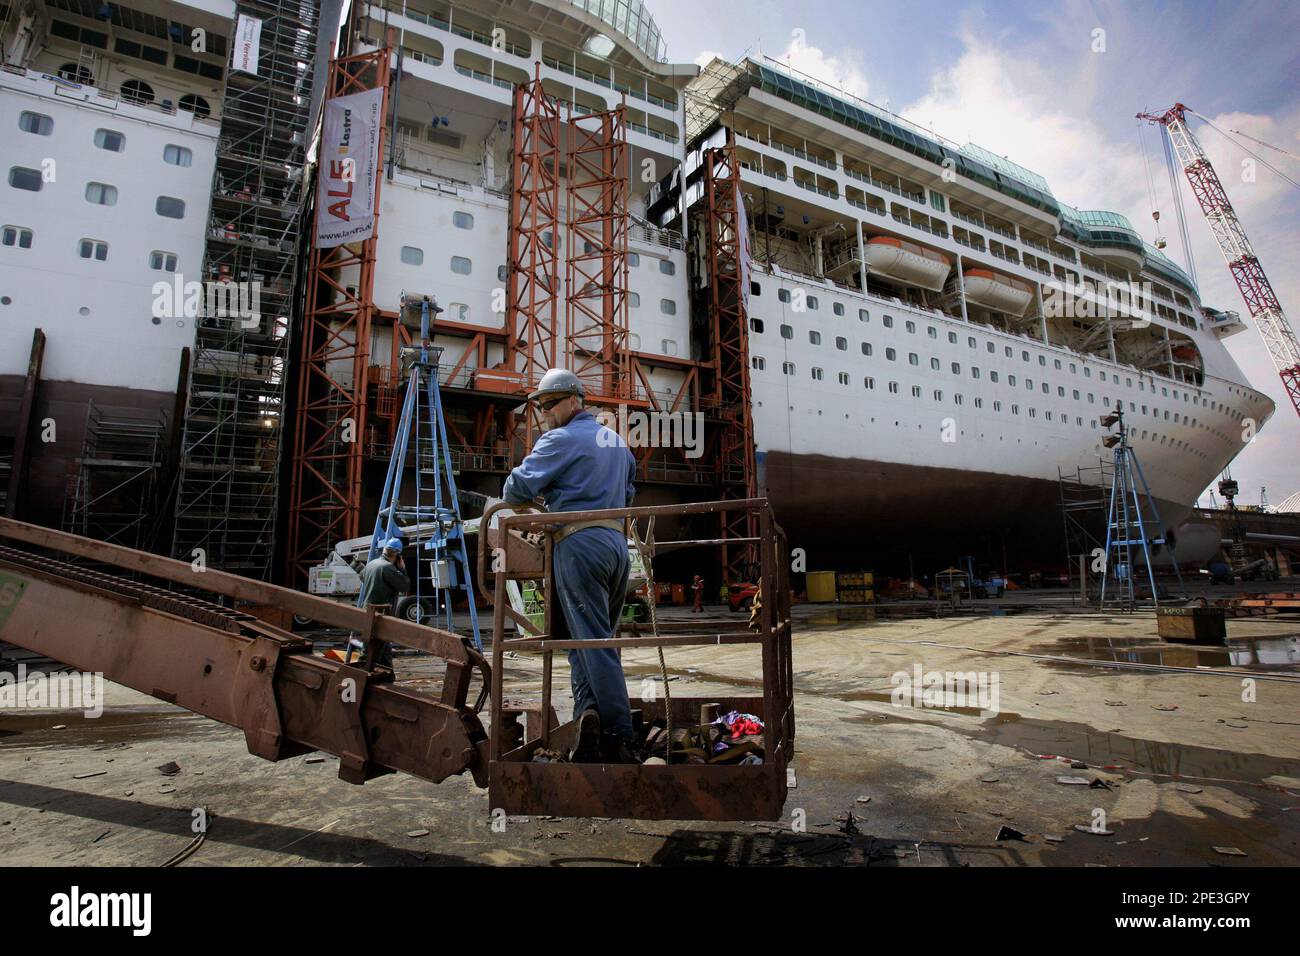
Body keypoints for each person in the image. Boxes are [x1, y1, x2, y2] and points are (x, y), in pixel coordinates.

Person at [502, 368, 637, 762]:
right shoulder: (616, 442)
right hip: (616, 545)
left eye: (550, 404)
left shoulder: (559, 440)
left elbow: (515, 489)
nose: (545, 413)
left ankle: (618, 734)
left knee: (594, 643)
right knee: (585, 640)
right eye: (541, 407)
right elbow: (629, 492)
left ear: (575, 400)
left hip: (579, 544)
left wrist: (553, 498)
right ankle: (588, 718)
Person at [358, 537, 410, 668]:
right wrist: (402, 569)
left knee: (384, 651)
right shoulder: (388, 568)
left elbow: (362, 576)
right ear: (398, 556)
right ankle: (363, 677)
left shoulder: (371, 564)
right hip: (380, 616)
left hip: (367, 612)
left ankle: (388, 676)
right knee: (370, 652)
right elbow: (404, 586)